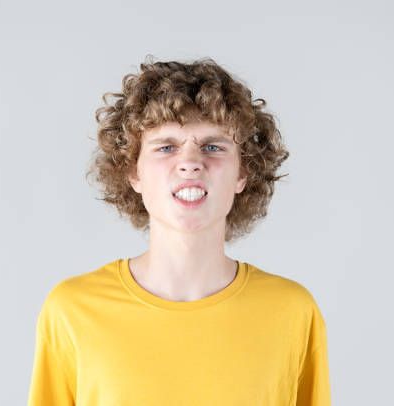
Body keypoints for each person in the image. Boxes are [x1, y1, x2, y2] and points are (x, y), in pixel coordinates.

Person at [27, 56, 331, 405]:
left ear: (242, 174)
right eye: (166, 146)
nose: (190, 162)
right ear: (133, 172)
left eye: (213, 146)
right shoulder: (72, 310)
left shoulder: (292, 312)